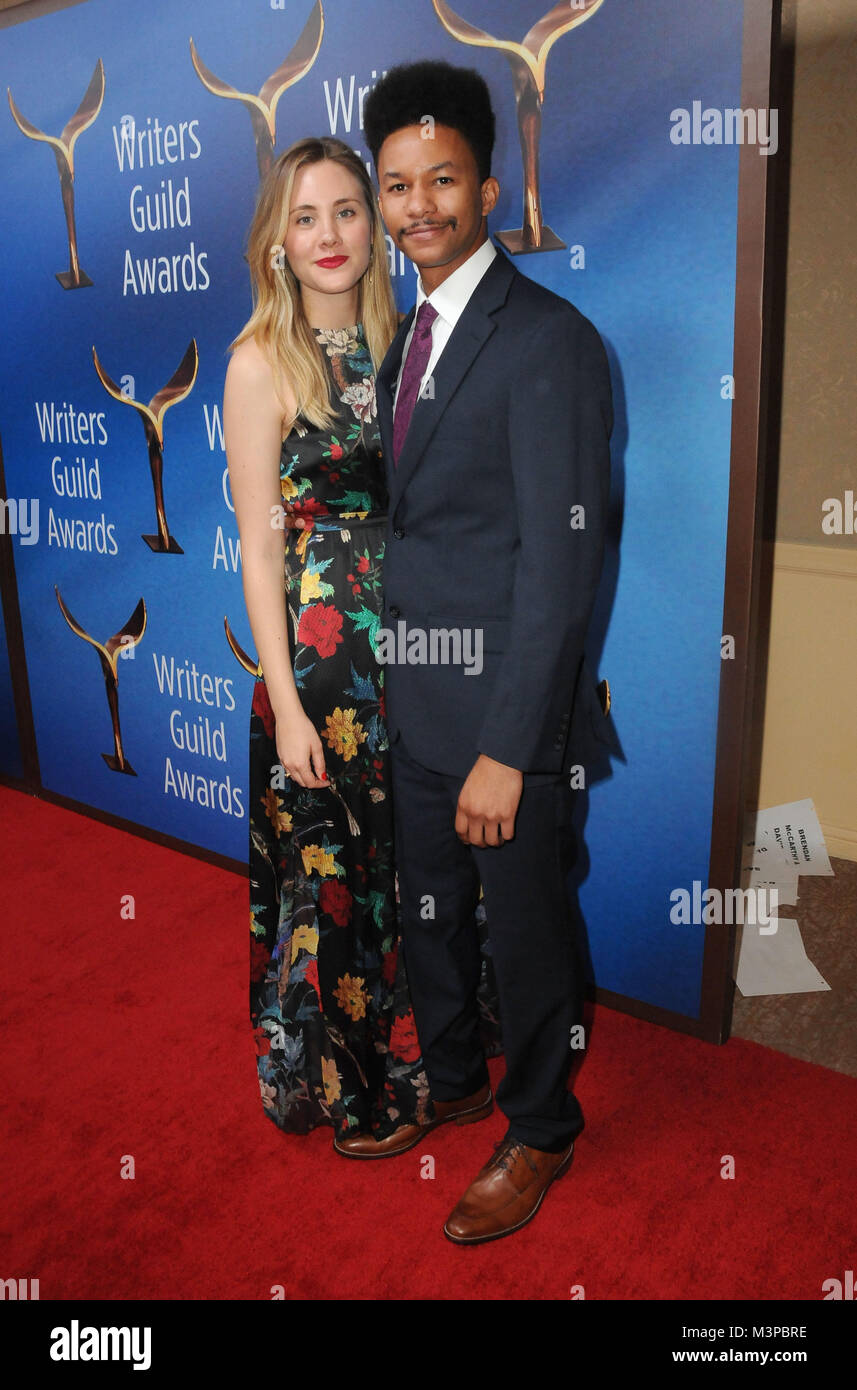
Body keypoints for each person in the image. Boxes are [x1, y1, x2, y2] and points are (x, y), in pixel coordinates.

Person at [333, 62, 616, 1245]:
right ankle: (450, 1082)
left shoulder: (547, 340)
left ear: (486, 187)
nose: (416, 206)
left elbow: (561, 568)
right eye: (394, 185)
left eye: (439, 179)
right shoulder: (405, 338)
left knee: (531, 932)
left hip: (504, 725)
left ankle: (541, 1126)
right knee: (433, 919)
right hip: (415, 706)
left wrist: (513, 747)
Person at [223, 136, 436, 1144]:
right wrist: (288, 702)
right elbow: (260, 556)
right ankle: (350, 1090)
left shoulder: (408, 345)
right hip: (320, 671)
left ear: (376, 223)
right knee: (335, 874)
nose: (329, 234)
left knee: (409, 863)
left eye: (347, 209)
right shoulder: (258, 361)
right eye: (304, 216)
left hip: (420, 655)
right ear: (277, 239)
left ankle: (425, 1043)